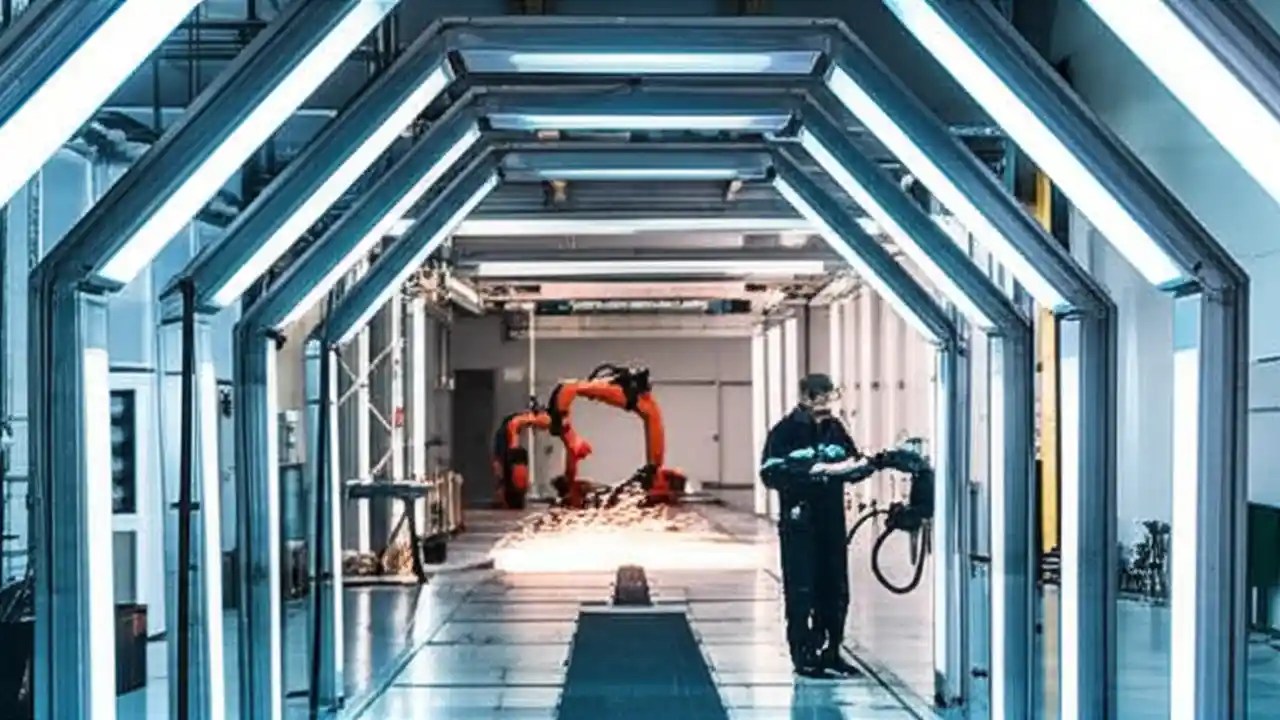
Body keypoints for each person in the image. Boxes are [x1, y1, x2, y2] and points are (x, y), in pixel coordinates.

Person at [759, 373, 874, 679]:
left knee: (835, 589)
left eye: (830, 397)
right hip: (800, 524)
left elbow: (852, 461)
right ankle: (804, 656)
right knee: (802, 589)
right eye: (821, 397)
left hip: (831, 521)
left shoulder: (835, 430)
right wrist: (808, 472)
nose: (827, 404)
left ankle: (832, 651)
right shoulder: (784, 433)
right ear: (806, 397)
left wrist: (862, 467)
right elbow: (770, 474)